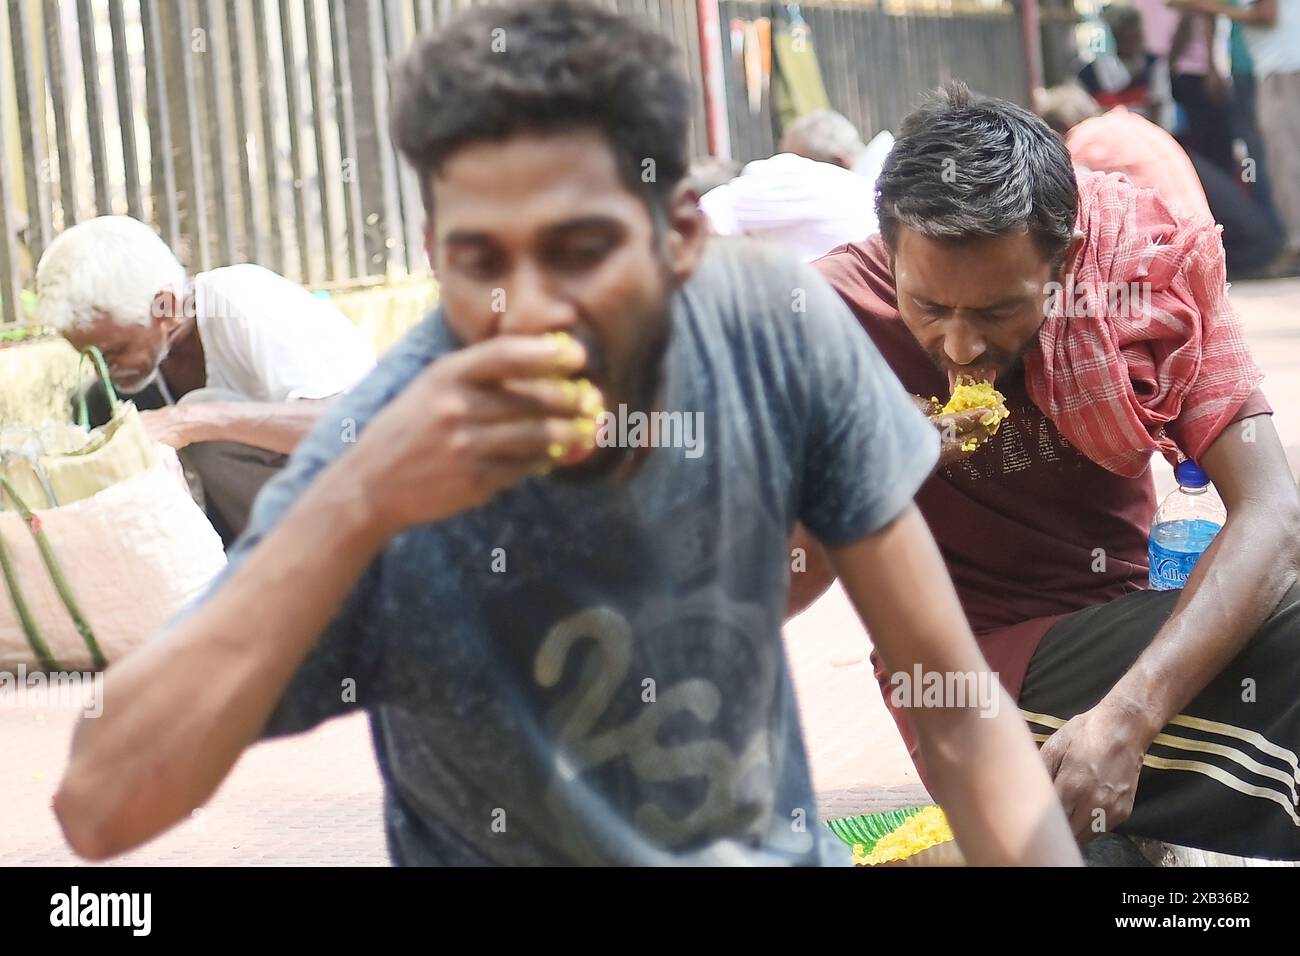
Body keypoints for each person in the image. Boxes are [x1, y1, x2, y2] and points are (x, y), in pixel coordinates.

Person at [52, 1, 1080, 867]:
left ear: (682, 234)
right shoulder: (379, 464)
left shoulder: (771, 331)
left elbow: (953, 709)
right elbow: (98, 804)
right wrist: (355, 511)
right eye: (480, 259)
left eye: (581, 250)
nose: (531, 308)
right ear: (431, 252)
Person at [800, 82, 1300, 859]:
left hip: (1132, 645)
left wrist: (1127, 721)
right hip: (969, 678)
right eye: (928, 306)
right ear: (887, 249)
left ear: (1063, 264)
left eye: (998, 311)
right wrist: (871, 466)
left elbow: (1274, 514)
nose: (961, 347)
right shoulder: (830, 320)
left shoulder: (1135, 276)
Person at [35, 216, 376, 544]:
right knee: (102, 409)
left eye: (115, 350)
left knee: (196, 416)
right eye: (90, 356)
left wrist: (190, 421)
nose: (105, 368)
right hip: (270, 507)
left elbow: (345, 427)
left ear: (165, 307)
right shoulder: (146, 366)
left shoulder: (239, 299)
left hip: (365, 484)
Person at [1035, 84, 1286, 278]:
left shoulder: (1085, 139)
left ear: (1060, 127)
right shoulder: (1133, 124)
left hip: (1170, 257)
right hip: (1208, 248)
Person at [1172, 0, 1300, 266]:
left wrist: (1214, 9)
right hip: (1278, 71)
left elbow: (1267, 15)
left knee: (1284, 162)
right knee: (1274, 161)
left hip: (1283, 73)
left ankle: (1295, 243)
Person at [698, 110, 891, 261]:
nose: (793, 165)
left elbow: (710, 214)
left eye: (799, 160)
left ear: (838, 161)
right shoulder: (877, 192)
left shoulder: (799, 178)